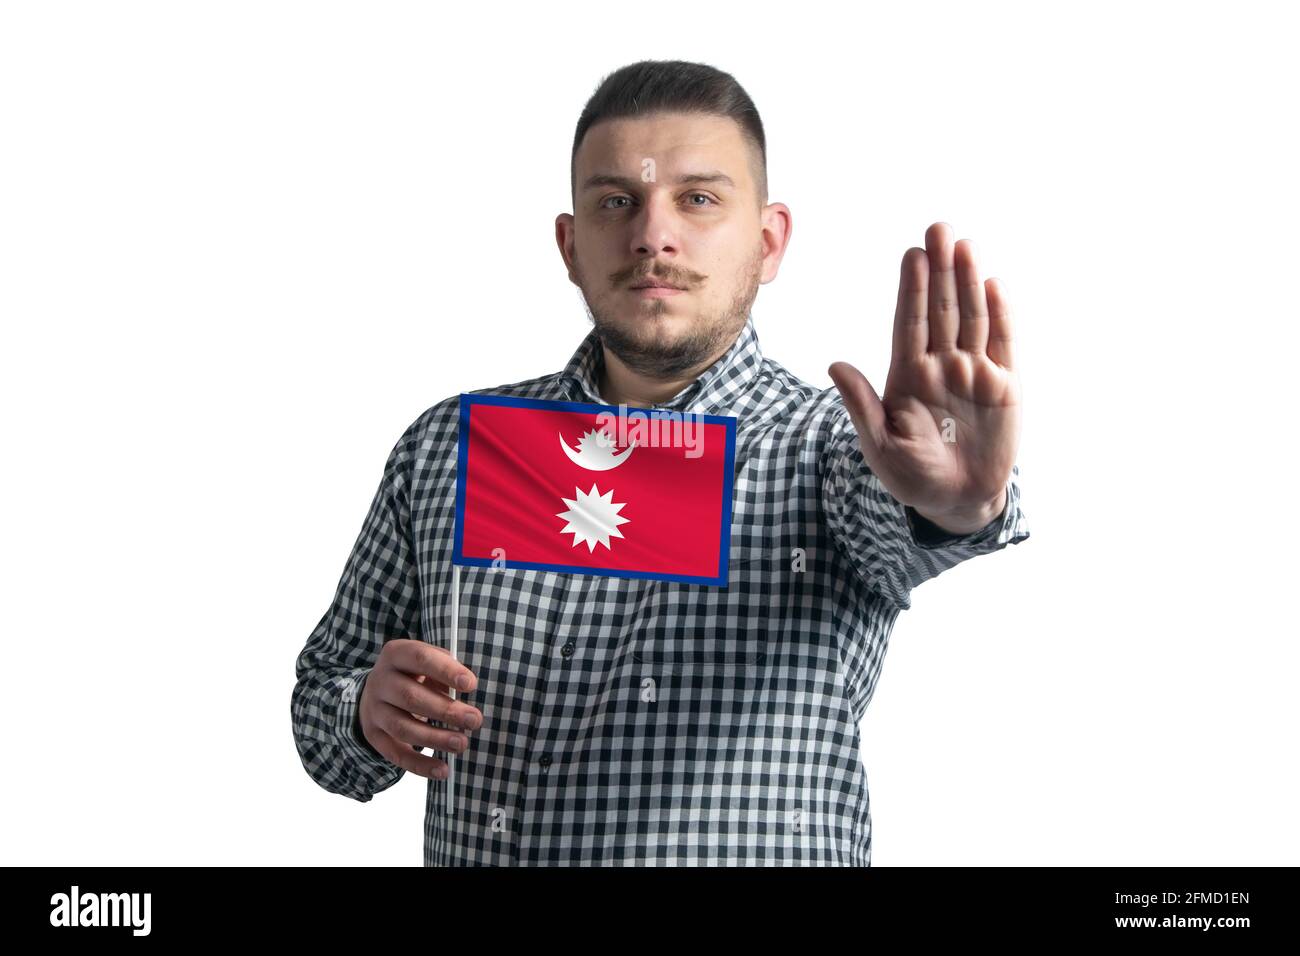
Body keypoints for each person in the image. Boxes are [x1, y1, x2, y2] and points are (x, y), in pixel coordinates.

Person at [291, 59, 1030, 866]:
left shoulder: (833, 453)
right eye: (617, 202)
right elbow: (322, 714)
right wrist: (364, 709)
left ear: (770, 238)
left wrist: (957, 502)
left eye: (699, 199)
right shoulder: (450, 448)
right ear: (570, 244)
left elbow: (909, 526)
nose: (653, 235)